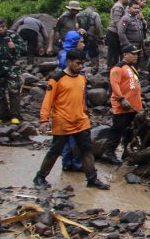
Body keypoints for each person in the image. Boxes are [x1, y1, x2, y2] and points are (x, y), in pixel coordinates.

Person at [34, 51, 107, 190]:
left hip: (80, 120)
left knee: (87, 150)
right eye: (77, 63)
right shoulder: (56, 79)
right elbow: (47, 100)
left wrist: (85, 112)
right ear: (68, 61)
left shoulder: (81, 78)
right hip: (62, 120)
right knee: (55, 150)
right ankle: (40, 176)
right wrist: (44, 119)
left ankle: (92, 179)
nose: (80, 66)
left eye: (82, 63)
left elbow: (80, 98)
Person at [101, 44, 142, 166]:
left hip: (133, 106)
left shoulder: (131, 68)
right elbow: (115, 85)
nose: (136, 56)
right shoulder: (117, 68)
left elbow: (135, 84)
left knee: (131, 130)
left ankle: (126, 152)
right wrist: (121, 99)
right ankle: (109, 152)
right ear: (125, 55)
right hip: (123, 106)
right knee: (117, 129)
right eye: (133, 53)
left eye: (136, 53)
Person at [0, 19, 25, 124]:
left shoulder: (13, 36)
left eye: (3, 27)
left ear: (6, 26)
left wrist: (15, 47)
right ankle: (2, 115)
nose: (1, 29)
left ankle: (15, 115)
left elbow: (23, 49)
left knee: (14, 91)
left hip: (12, 68)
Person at [116, 0, 146, 69]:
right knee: (127, 64)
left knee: (135, 64)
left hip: (138, 45)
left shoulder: (137, 18)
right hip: (129, 45)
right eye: (134, 8)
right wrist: (128, 45)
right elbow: (121, 32)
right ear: (129, 8)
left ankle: (133, 78)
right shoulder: (126, 18)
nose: (137, 10)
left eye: (138, 8)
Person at [77, 4, 103, 74]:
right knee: (94, 52)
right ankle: (94, 68)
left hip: (81, 36)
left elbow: (77, 26)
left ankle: (80, 67)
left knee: (82, 52)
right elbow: (98, 26)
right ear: (93, 8)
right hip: (92, 37)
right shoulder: (95, 14)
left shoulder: (79, 15)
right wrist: (100, 36)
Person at [106, 0, 129, 68]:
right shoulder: (118, 7)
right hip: (114, 32)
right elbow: (117, 22)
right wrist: (121, 34)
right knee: (113, 53)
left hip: (115, 32)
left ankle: (113, 69)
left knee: (115, 53)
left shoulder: (120, 6)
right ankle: (111, 69)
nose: (128, 0)